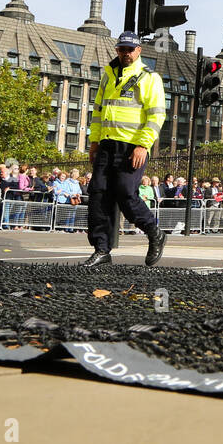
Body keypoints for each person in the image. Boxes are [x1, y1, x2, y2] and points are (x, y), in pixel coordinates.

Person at [82, 31, 168, 267]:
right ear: (117, 50)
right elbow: (98, 112)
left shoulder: (149, 77)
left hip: (132, 146)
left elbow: (156, 115)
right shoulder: (108, 77)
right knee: (98, 195)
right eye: (122, 49)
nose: (126, 53)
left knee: (126, 193)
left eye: (130, 49)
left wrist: (143, 145)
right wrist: (94, 142)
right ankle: (102, 249)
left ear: (139, 50)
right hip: (107, 144)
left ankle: (154, 232)